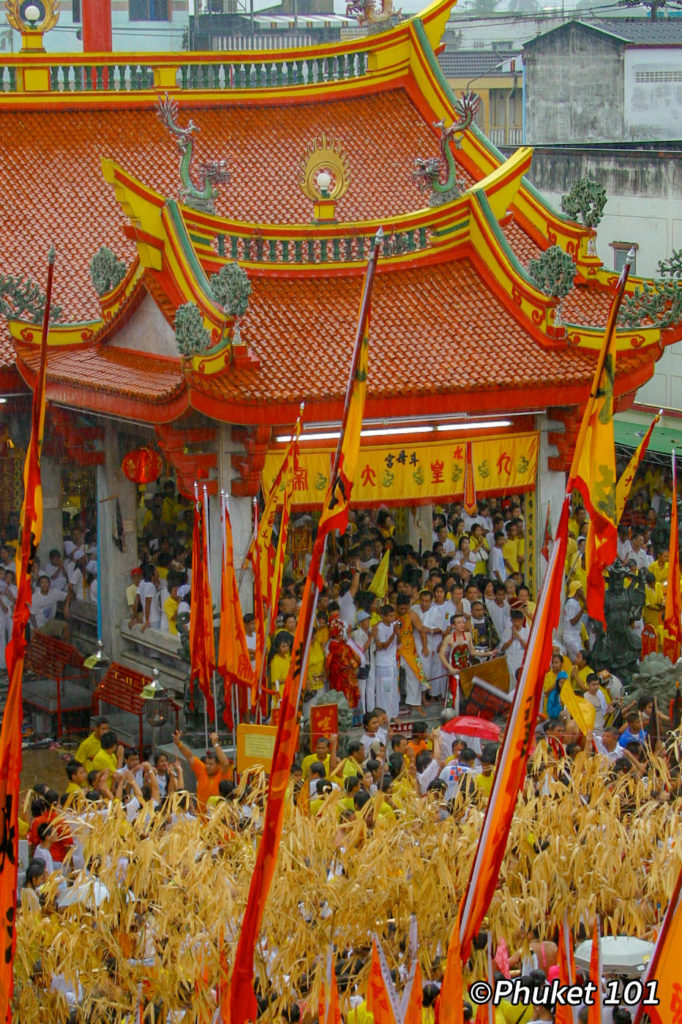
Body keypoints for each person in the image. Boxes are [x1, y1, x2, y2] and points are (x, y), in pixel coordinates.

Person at [173, 730, 233, 813]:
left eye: (211, 764)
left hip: (218, 820)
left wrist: (215, 744)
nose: (207, 766)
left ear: (218, 765)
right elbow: (189, 756)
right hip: (201, 820)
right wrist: (179, 744)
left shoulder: (223, 774)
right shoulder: (202, 769)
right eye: (207, 763)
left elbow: (225, 763)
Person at [439, 613, 478, 712]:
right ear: (453, 625)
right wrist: (450, 668)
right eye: (459, 622)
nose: (462, 625)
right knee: (454, 693)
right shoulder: (449, 638)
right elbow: (441, 655)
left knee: (470, 692)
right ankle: (452, 716)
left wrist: (489, 653)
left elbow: (472, 652)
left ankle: (470, 714)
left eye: (463, 622)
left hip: (467, 669)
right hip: (455, 671)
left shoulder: (468, 635)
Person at [396, 594, 428, 715]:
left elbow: (421, 631)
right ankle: (394, 704)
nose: (403, 611)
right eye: (401, 609)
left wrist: (425, 647)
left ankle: (415, 703)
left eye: (406, 608)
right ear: (397, 606)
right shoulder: (391, 614)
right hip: (393, 649)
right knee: (394, 677)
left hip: (410, 649)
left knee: (414, 675)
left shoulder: (412, 615)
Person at [371, 605, 401, 722]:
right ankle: (384, 716)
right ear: (383, 616)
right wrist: (393, 633)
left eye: (393, 615)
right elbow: (381, 646)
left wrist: (397, 633)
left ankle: (394, 714)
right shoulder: (379, 628)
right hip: (383, 665)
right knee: (385, 692)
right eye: (390, 616)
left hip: (392, 663)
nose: (392, 618)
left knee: (393, 691)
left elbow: (398, 643)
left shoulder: (394, 626)